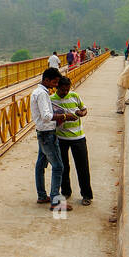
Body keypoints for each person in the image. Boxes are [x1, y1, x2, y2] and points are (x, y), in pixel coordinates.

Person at [31, 67, 72, 209]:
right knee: (58, 166)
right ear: (46, 80)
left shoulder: (39, 92)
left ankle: (42, 196)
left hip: (42, 132)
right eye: (54, 82)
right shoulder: (42, 94)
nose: (56, 85)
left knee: (40, 165)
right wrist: (65, 116)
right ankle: (56, 201)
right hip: (47, 134)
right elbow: (47, 116)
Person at [52, 75, 92, 206]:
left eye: (67, 90)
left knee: (82, 167)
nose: (65, 92)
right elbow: (49, 117)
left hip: (78, 137)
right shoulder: (51, 100)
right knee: (63, 166)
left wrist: (82, 113)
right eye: (63, 90)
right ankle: (66, 191)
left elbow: (84, 109)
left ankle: (86, 194)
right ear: (57, 88)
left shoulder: (74, 96)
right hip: (61, 138)